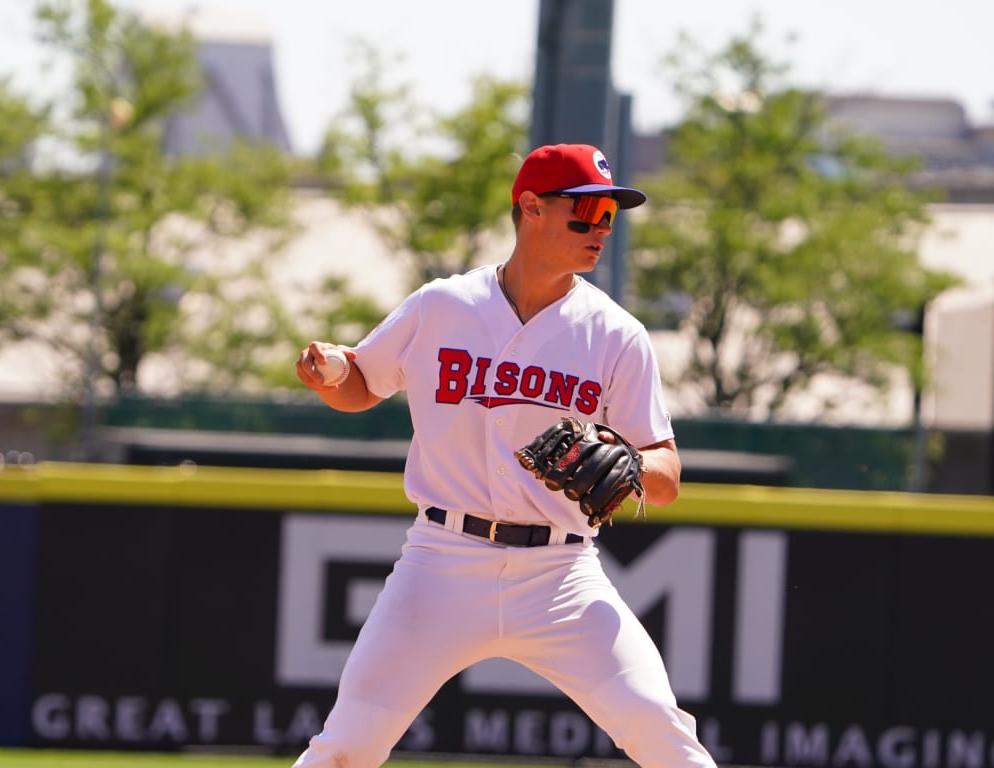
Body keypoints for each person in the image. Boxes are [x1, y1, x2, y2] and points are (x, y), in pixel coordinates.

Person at [291, 144, 718, 767]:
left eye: (608, 216)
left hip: (560, 576)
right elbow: (364, 382)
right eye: (584, 213)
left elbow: (668, 475)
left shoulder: (616, 333)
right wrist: (331, 375)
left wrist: (628, 459)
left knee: (661, 731)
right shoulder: (444, 305)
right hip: (441, 562)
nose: (599, 229)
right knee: (346, 748)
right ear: (530, 208)